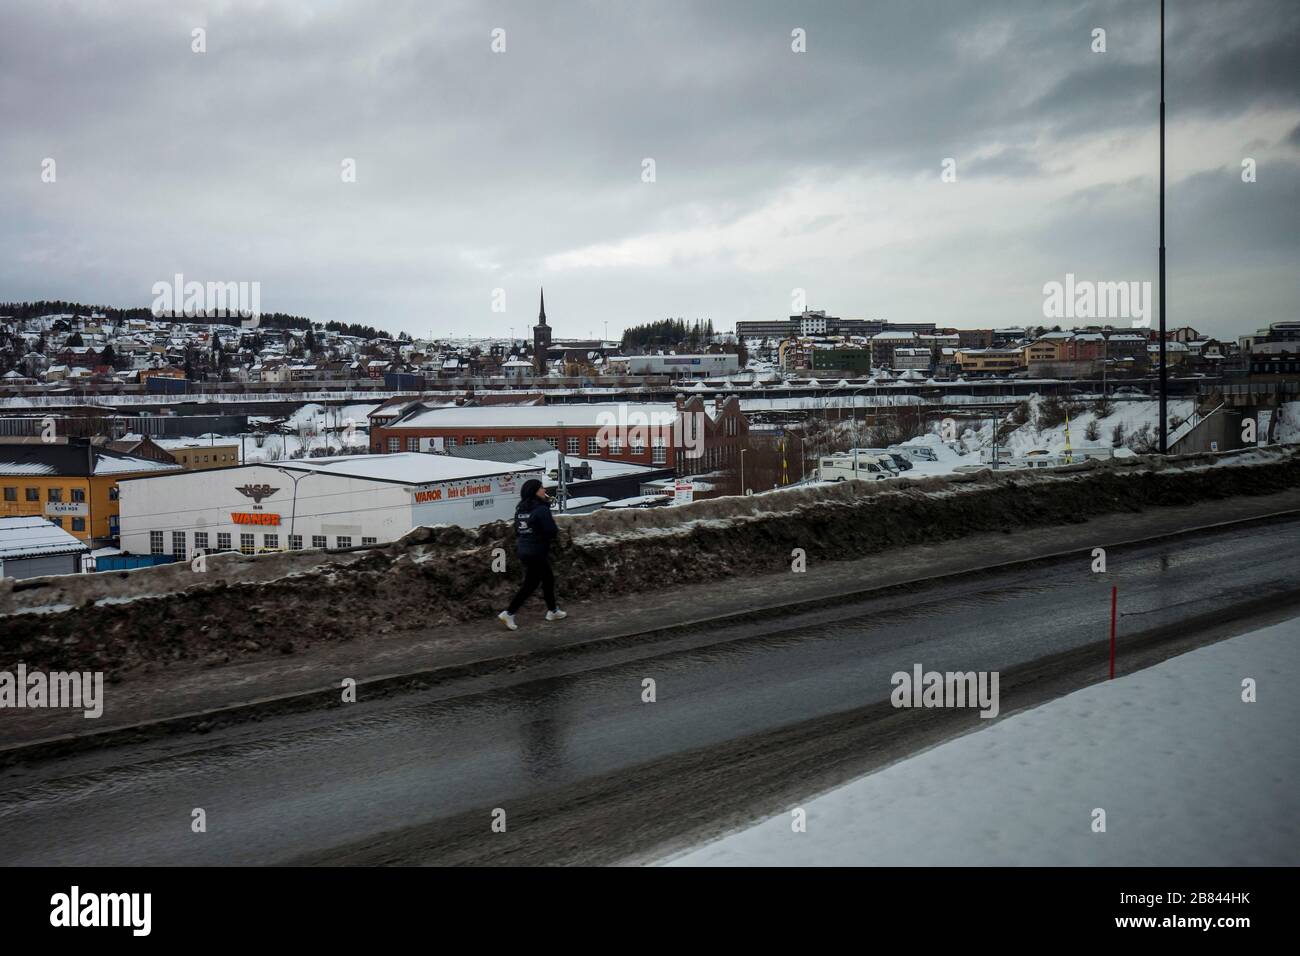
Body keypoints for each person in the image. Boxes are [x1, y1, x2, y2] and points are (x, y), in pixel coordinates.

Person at [498, 478, 567, 630]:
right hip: (538, 551)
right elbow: (551, 531)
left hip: (524, 550)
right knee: (531, 584)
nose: (545, 491)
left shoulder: (521, 509)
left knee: (546, 579)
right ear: (535, 492)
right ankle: (509, 613)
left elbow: (517, 530)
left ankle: (553, 610)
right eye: (542, 488)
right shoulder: (541, 509)